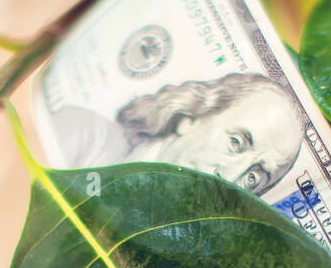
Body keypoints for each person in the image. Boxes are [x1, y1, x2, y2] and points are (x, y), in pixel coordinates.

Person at [52, 72, 304, 195]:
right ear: (190, 118)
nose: (229, 176)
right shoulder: (84, 136)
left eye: (254, 178)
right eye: (235, 143)